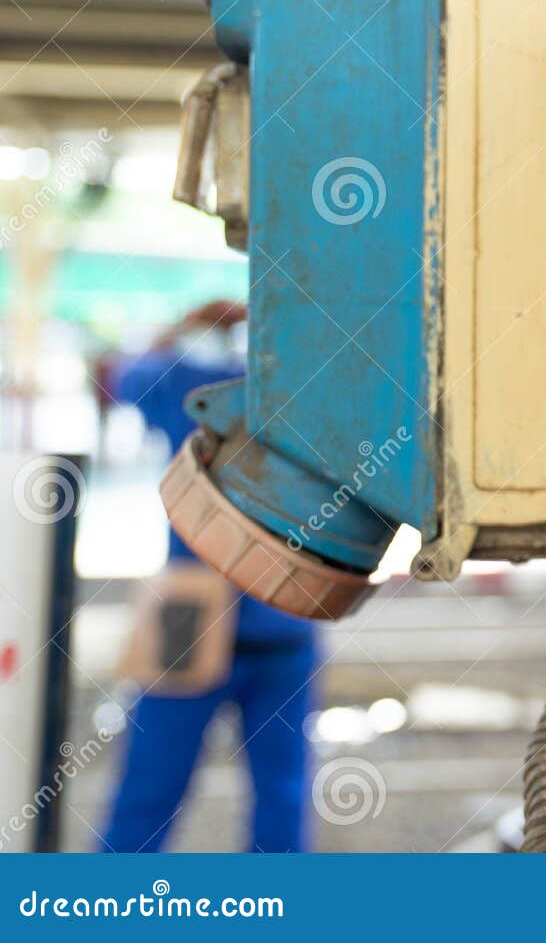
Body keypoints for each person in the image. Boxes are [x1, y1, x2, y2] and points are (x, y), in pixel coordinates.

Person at [100, 301, 320, 853]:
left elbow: (123, 374)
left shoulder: (188, 388)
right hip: (284, 612)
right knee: (282, 795)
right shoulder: (310, 398)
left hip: (191, 614)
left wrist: (188, 321)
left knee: (147, 791)